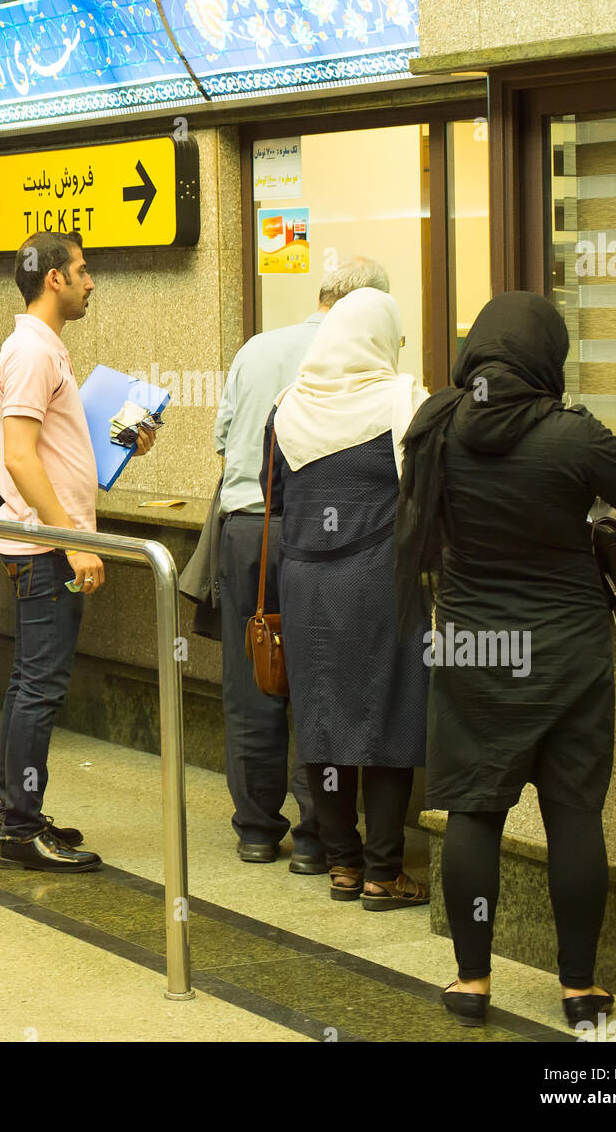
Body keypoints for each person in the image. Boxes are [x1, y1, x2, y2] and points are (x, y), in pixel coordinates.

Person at [394, 291, 616, 1027]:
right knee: (575, 815)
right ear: (546, 355)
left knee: (474, 812)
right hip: (566, 653)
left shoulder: (438, 427)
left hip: (473, 647)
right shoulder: (573, 436)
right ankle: (579, 990)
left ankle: (472, 983)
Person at [214, 258, 390, 871]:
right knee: (320, 687)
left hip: (246, 530)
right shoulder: (369, 368)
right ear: (368, 307)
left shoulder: (256, 349)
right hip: (323, 544)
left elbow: (225, 441)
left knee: (254, 683)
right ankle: (319, 839)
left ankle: (257, 831)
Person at [0, 231, 155, 873]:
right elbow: (19, 455)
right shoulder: (30, 350)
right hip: (45, 549)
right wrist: (69, 539)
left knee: (34, 685)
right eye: (83, 271)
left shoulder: (46, 349)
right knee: (40, 687)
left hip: (48, 543)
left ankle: (20, 814)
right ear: (53, 279)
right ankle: (18, 826)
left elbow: (61, 440)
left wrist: (123, 438)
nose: (91, 283)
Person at [263, 287, 431, 908]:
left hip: (306, 583)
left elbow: (273, 498)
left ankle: (342, 864)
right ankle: (385, 874)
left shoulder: (286, 408)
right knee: (387, 715)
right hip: (380, 581)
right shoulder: (401, 403)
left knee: (323, 718)